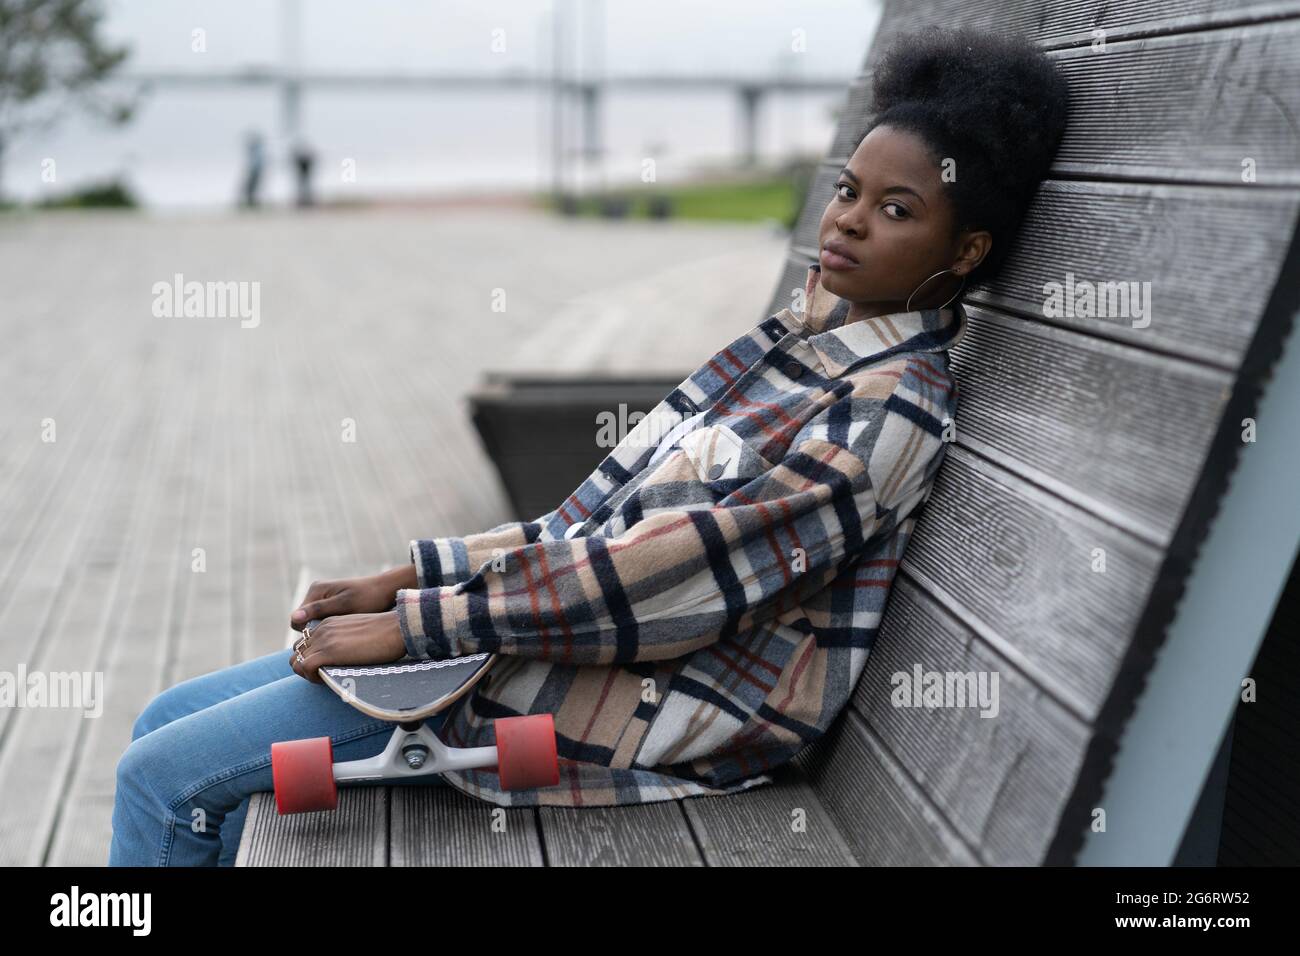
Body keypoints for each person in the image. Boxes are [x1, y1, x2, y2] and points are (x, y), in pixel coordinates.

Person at [110, 26, 1070, 865]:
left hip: (630, 704)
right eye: (849, 191)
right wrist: (414, 575)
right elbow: (595, 524)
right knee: (166, 732)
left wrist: (421, 624)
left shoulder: (887, 411)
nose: (850, 221)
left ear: (968, 251)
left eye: (897, 210)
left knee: (166, 780)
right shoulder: (800, 346)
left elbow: (672, 578)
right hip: (553, 648)